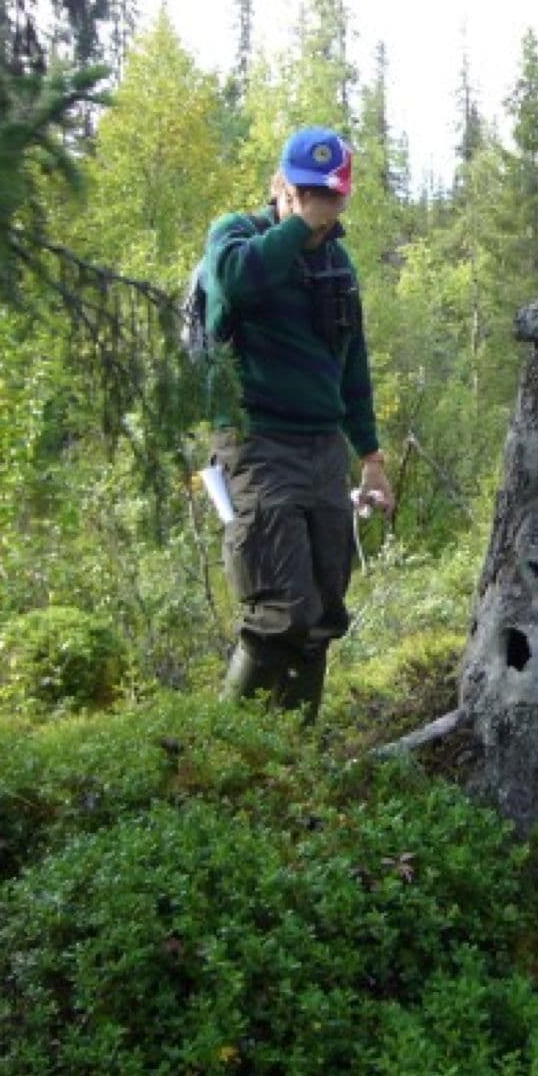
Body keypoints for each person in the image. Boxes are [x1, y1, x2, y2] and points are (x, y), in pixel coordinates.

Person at [199, 125, 394, 718]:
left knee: (323, 613)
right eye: (306, 193)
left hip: (323, 450)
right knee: (278, 610)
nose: (317, 209)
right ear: (281, 185)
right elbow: (235, 284)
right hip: (257, 445)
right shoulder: (236, 235)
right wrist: (298, 226)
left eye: (328, 197)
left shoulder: (338, 264)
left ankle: (296, 752)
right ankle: (229, 747)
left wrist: (371, 457)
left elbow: (352, 364)